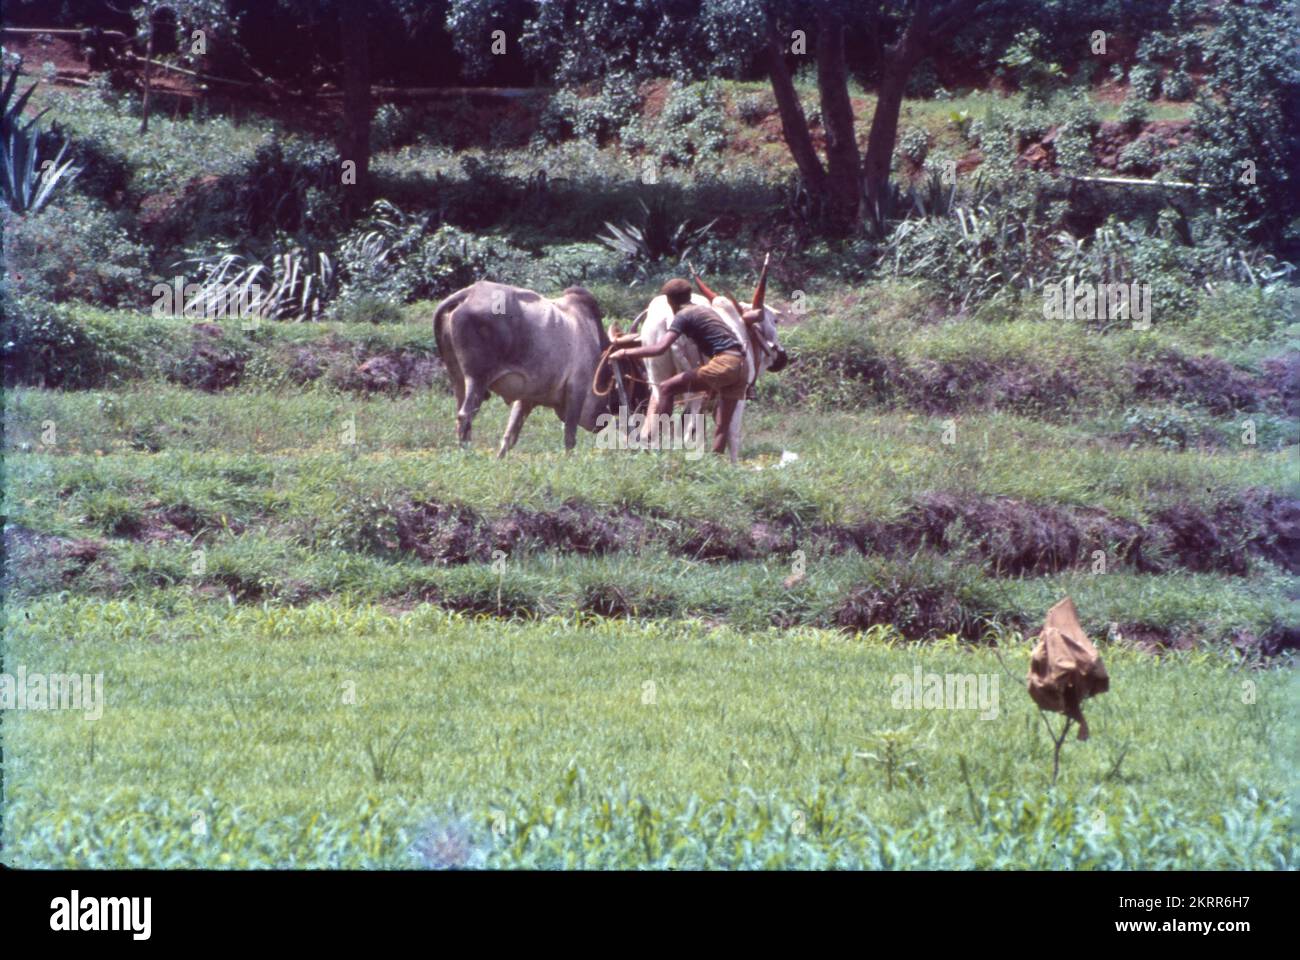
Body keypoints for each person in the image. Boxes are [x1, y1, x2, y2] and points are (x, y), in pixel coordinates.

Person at [611, 278, 755, 457]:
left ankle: (660, 446)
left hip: (724, 364)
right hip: (742, 364)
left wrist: (624, 352)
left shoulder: (682, 315)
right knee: (722, 425)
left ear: (669, 301)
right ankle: (716, 466)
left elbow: (660, 348)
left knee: (666, 388)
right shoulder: (704, 309)